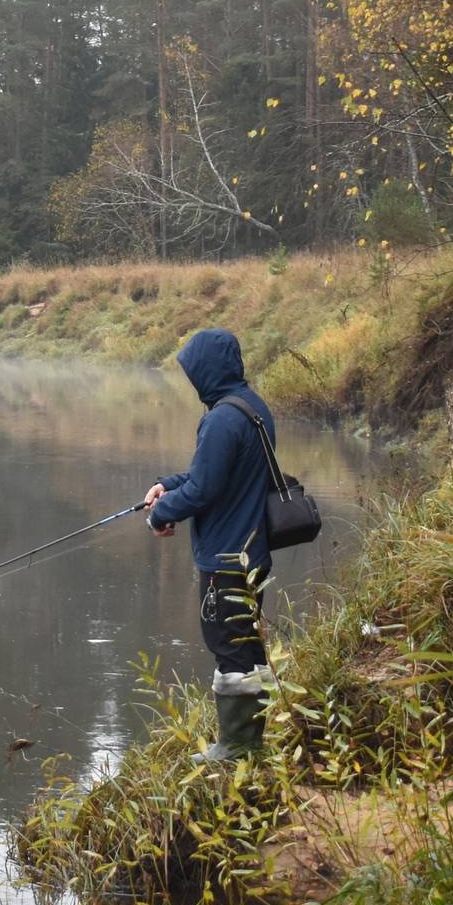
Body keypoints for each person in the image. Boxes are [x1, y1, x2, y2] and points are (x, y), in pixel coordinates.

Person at [143, 327, 276, 763]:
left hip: (225, 555)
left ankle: (237, 747)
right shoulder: (252, 408)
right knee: (249, 643)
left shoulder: (221, 418)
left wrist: (161, 514)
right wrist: (166, 485)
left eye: (192, 370)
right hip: (252, 550)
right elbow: (211, 475)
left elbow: (203, 490)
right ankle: (254, 739)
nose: (191, 379)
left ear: (207, 371)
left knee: (228, 644)